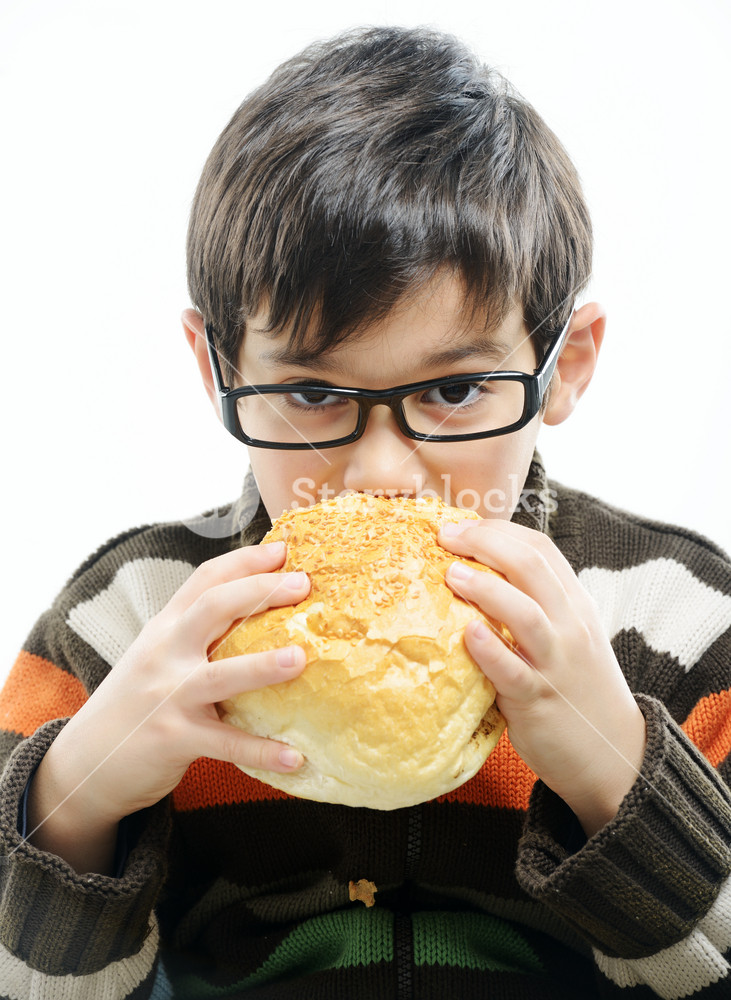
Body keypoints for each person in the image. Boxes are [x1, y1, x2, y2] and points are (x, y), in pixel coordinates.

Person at [0, 24, 729, 1000]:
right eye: (311, 394)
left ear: (566, 365)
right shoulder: (127, 620)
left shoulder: (678, 618)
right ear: (217, 367)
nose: (382, 472)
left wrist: (618, 772)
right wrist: (71, 804)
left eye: (456, 391)